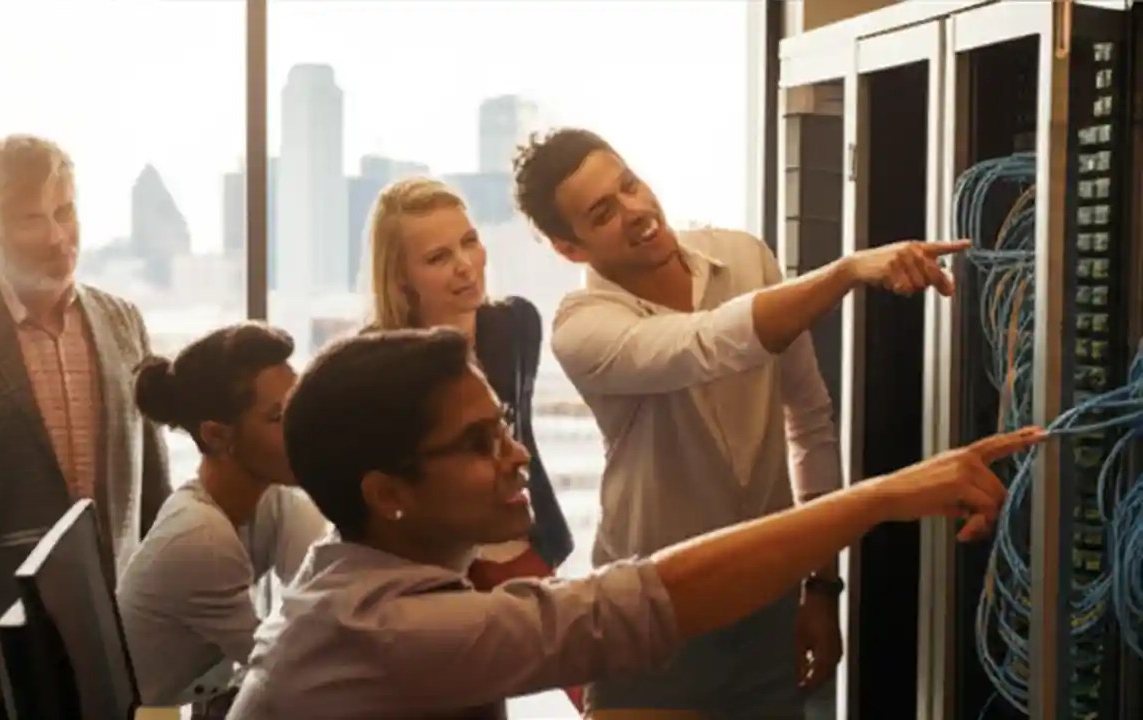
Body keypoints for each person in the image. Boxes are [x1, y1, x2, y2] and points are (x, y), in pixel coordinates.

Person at [226, 329, 1042, 720]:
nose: (516, 456)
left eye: (504, 424)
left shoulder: (347, 573)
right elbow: (640, 601)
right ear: (387, 492)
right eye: (479, 444)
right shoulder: (388, 631)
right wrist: (879, 498)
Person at [511, 127, 968, 717]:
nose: (636, 211)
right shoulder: (581, 326)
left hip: (767, 608)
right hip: (650, 616)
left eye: (630, 185)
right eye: (602, 213)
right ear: (570, 248)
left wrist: (822, 587)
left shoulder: (744, 256)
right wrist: (847, 271)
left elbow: (808, 420)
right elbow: (707, 344)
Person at [0, 134, 170, 713]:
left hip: (122, 642)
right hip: (3, 656)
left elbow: (157, 494)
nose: (58, 237)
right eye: (31, 220)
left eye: (65, 211)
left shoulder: (124, 323)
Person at [363, 177, 573, 587]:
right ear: (401, 277)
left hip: (527, 541)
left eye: (469, 241)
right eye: (438, 257)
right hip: (434, 564)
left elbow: (519, 430)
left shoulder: (516, 326)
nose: (464, 264)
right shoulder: (377, 361)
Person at [117, 322, 327, 719]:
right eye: (279, 417)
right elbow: (279, 668)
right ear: (216, 436)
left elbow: (325, 592)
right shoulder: (202, 538)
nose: (304, 428)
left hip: (201, 696)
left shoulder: (270, 499)